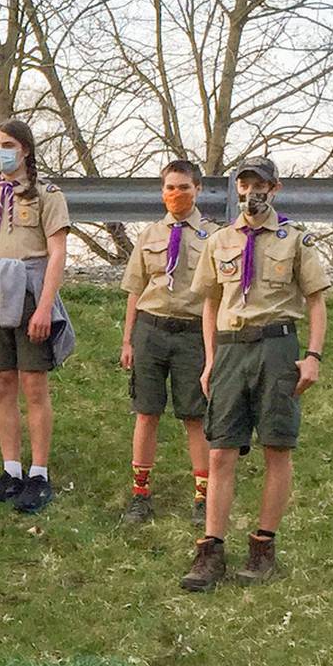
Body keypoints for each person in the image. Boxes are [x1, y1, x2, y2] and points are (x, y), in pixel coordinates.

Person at [181, 157, 329, 591]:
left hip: (277, 347)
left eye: (260, 185)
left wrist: (313, 356)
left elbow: (317, 301)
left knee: (276, 447)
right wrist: (210, 359)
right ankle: (210, 551)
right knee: (221, 450)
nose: (251, 193)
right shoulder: (220, 240)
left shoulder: (296, 240)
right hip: (230, 348)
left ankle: (263, 546)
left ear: (275, 188)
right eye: (244, 185)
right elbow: (209, 301)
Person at [0, 118, 75, 514]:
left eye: (7, 143)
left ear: (25, 149)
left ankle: (38, 473)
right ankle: (11, 470)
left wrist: (44, 306)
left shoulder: (46, 195)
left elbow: (57, 252)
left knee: (34, 385)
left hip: (29, 289)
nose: (0, 150)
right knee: (3, 384)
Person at [119, 160, 218, 525]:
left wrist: (213, 348)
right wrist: (128, 339)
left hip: (192, 333)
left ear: (198, 190)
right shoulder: (149, 235)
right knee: (146, 412)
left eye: (184, 188)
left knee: (194, 415)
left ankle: (202, 498)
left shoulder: (212, 236)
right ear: (162, 192)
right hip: (151, 329)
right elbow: (135, 289)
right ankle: (140, 494)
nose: (176, 194)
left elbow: (216, 297)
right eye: (170, 188)